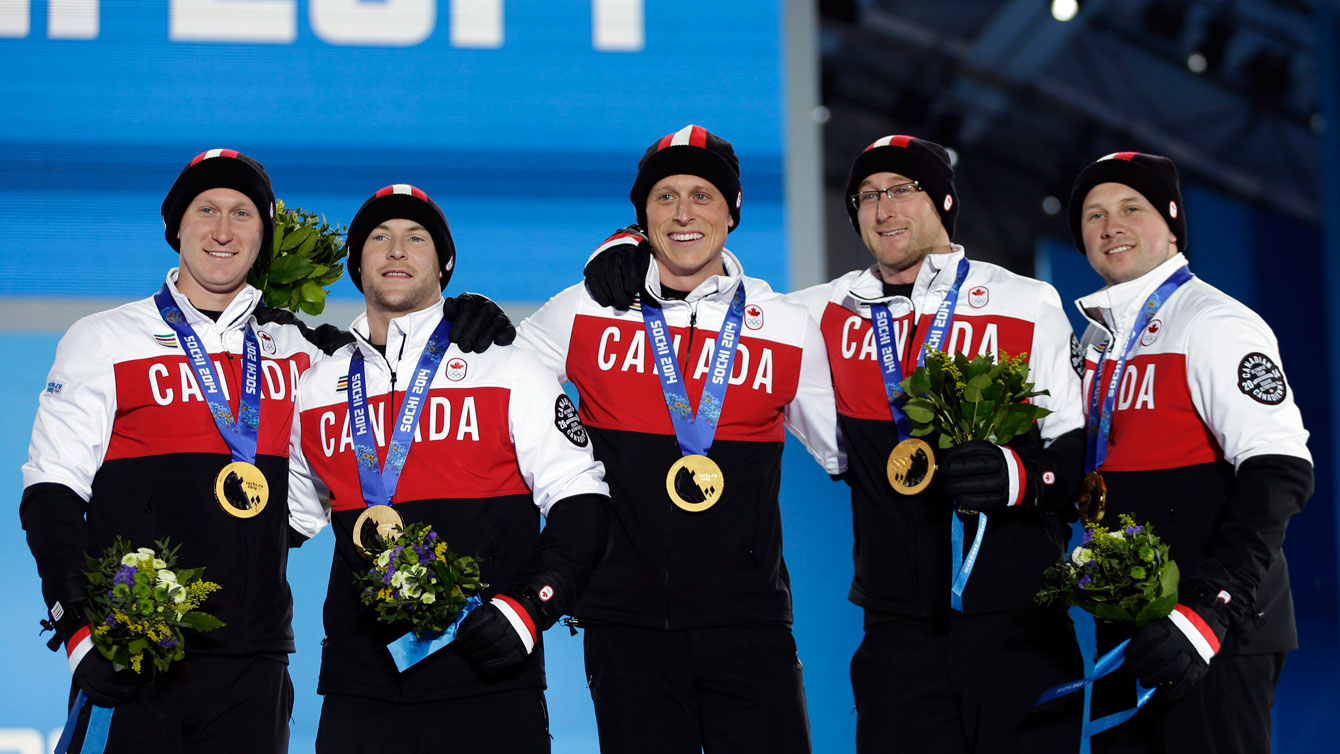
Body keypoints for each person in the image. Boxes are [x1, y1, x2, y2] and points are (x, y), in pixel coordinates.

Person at [583, 134, 1088, 752]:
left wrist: (1021, 477)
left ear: (945, 203)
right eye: (867, 197)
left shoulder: (1025, 301)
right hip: (897, 627)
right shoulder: (818, 313)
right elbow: (707, 286)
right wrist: (628, 242)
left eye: (903, 190)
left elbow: (1074, 448)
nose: (883, 209)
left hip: (1017, 620)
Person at [20, 150, 512, 753]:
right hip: (133, 651)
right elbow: (51, 492)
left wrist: (458, 315)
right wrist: (78, 628)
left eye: (243, 214)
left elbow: (391, 353)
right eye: (207, 210)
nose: (223, 231)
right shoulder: (101, 340)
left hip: (253, 666)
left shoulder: (301, 352)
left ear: (263, 239)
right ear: (177, 227)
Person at [516, 125, 844, 754]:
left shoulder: (786, 326)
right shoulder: (587, 308)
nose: (684, 212)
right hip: (625, 625)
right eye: (665, 197)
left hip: (748, 623)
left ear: (733, 210)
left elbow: (849, 451)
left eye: (702, 194)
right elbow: (493, 372)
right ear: (641, 216)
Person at [285, 184, 611, 753]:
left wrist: (529, 610)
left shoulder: (507, 368)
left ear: (445, 265)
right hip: (358, 692)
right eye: (378, 239)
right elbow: (282, 518)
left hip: (487, 674)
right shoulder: (317, 387)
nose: (395, 251)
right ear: (356, 265)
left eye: (416, 239)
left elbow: (582, 500)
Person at [1067, 151, 1313, 753]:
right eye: (1094, 215)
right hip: (1130, 631)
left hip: (1212, 634)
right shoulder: (1094, 346)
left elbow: (1280, 473)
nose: (1111, 226)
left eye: (1132, 208)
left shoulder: (1215, 322)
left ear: (1172, 224)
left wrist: (1209, 610)